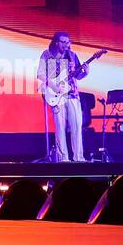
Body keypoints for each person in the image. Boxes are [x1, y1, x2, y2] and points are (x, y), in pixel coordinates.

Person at [37, 32, 88, 162]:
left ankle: (79, 158)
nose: (66, 44)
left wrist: (85, 73)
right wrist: (55, 87)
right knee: (60, 128)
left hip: (72, 94)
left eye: (68, 42)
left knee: (77, 125)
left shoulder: (72, 55)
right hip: (57, 95)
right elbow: (41, 75)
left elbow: (77, 75)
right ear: (56, 42)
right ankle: (63, 159)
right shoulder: (47, 54)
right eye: (63, 42)